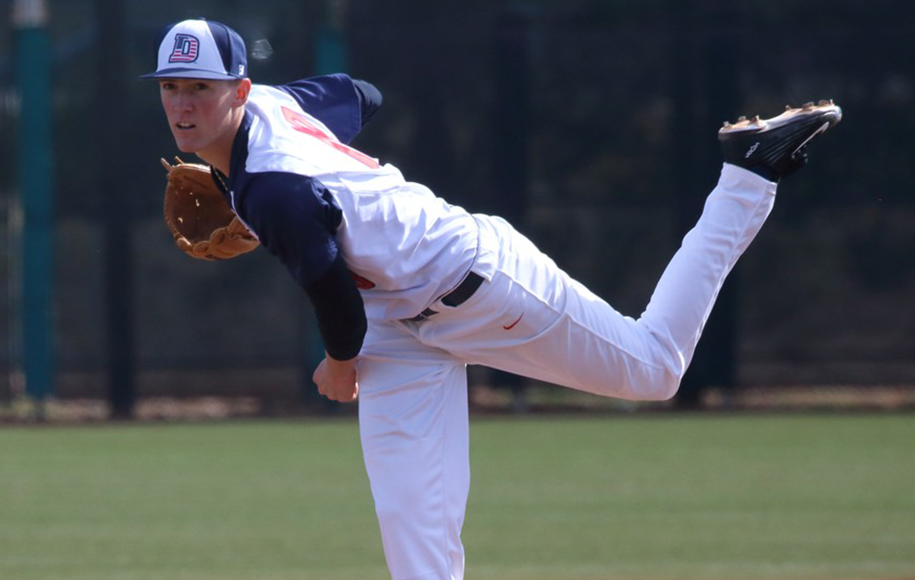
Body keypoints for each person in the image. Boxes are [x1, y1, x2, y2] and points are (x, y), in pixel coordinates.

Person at [143, 18, 841, 580]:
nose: (182, 103)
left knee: (655, 368)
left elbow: (332, 294)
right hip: (396, 317)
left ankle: (746, 176)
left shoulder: (271, 187)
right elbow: (362, 93)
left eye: (200, 87)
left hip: (476, 286)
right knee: (414, 535)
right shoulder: (278, 109)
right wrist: (324, 169)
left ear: (239, 87)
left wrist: (339, 365)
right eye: (172, 86)